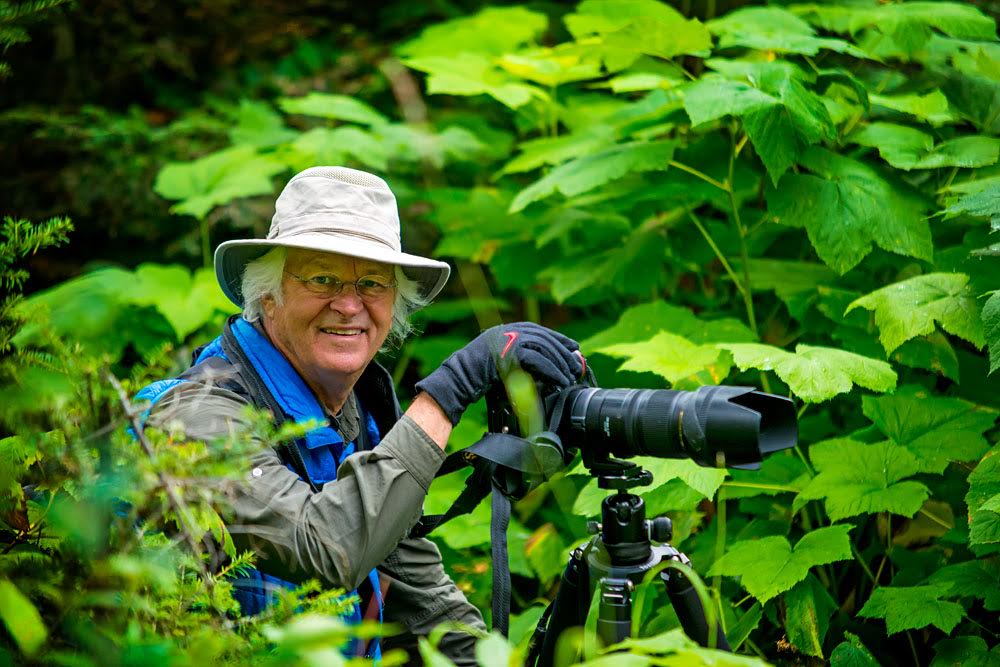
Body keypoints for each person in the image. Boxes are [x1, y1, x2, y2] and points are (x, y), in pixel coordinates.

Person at [139, 166, 587, 664]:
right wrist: (449, 391)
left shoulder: (357, 421)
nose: (349, 305)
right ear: (267, 293)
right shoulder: (197, 415)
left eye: (373, 283)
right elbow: (322, 546)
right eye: (323, 278)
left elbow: (423, 609)